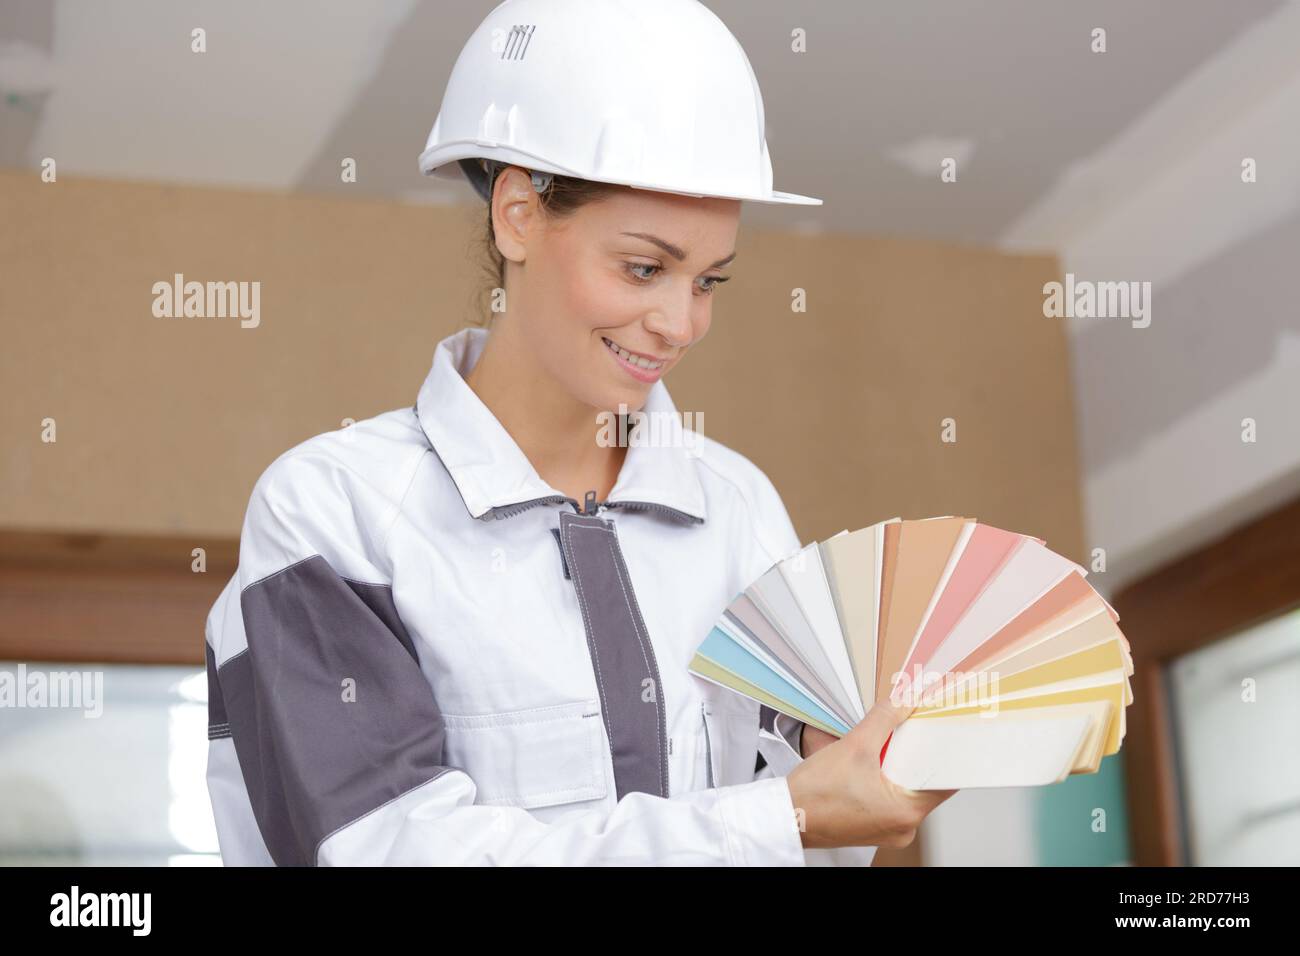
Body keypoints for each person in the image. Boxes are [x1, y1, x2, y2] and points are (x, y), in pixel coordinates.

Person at [204, 0, 956, 866]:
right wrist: (777, 818)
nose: (680, 323)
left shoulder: (738, 507)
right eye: (645, 268)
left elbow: (811, 837)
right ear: (518, 215)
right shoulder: (336, 512)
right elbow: (381, 852)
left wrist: (850, 794)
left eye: (709, 280)